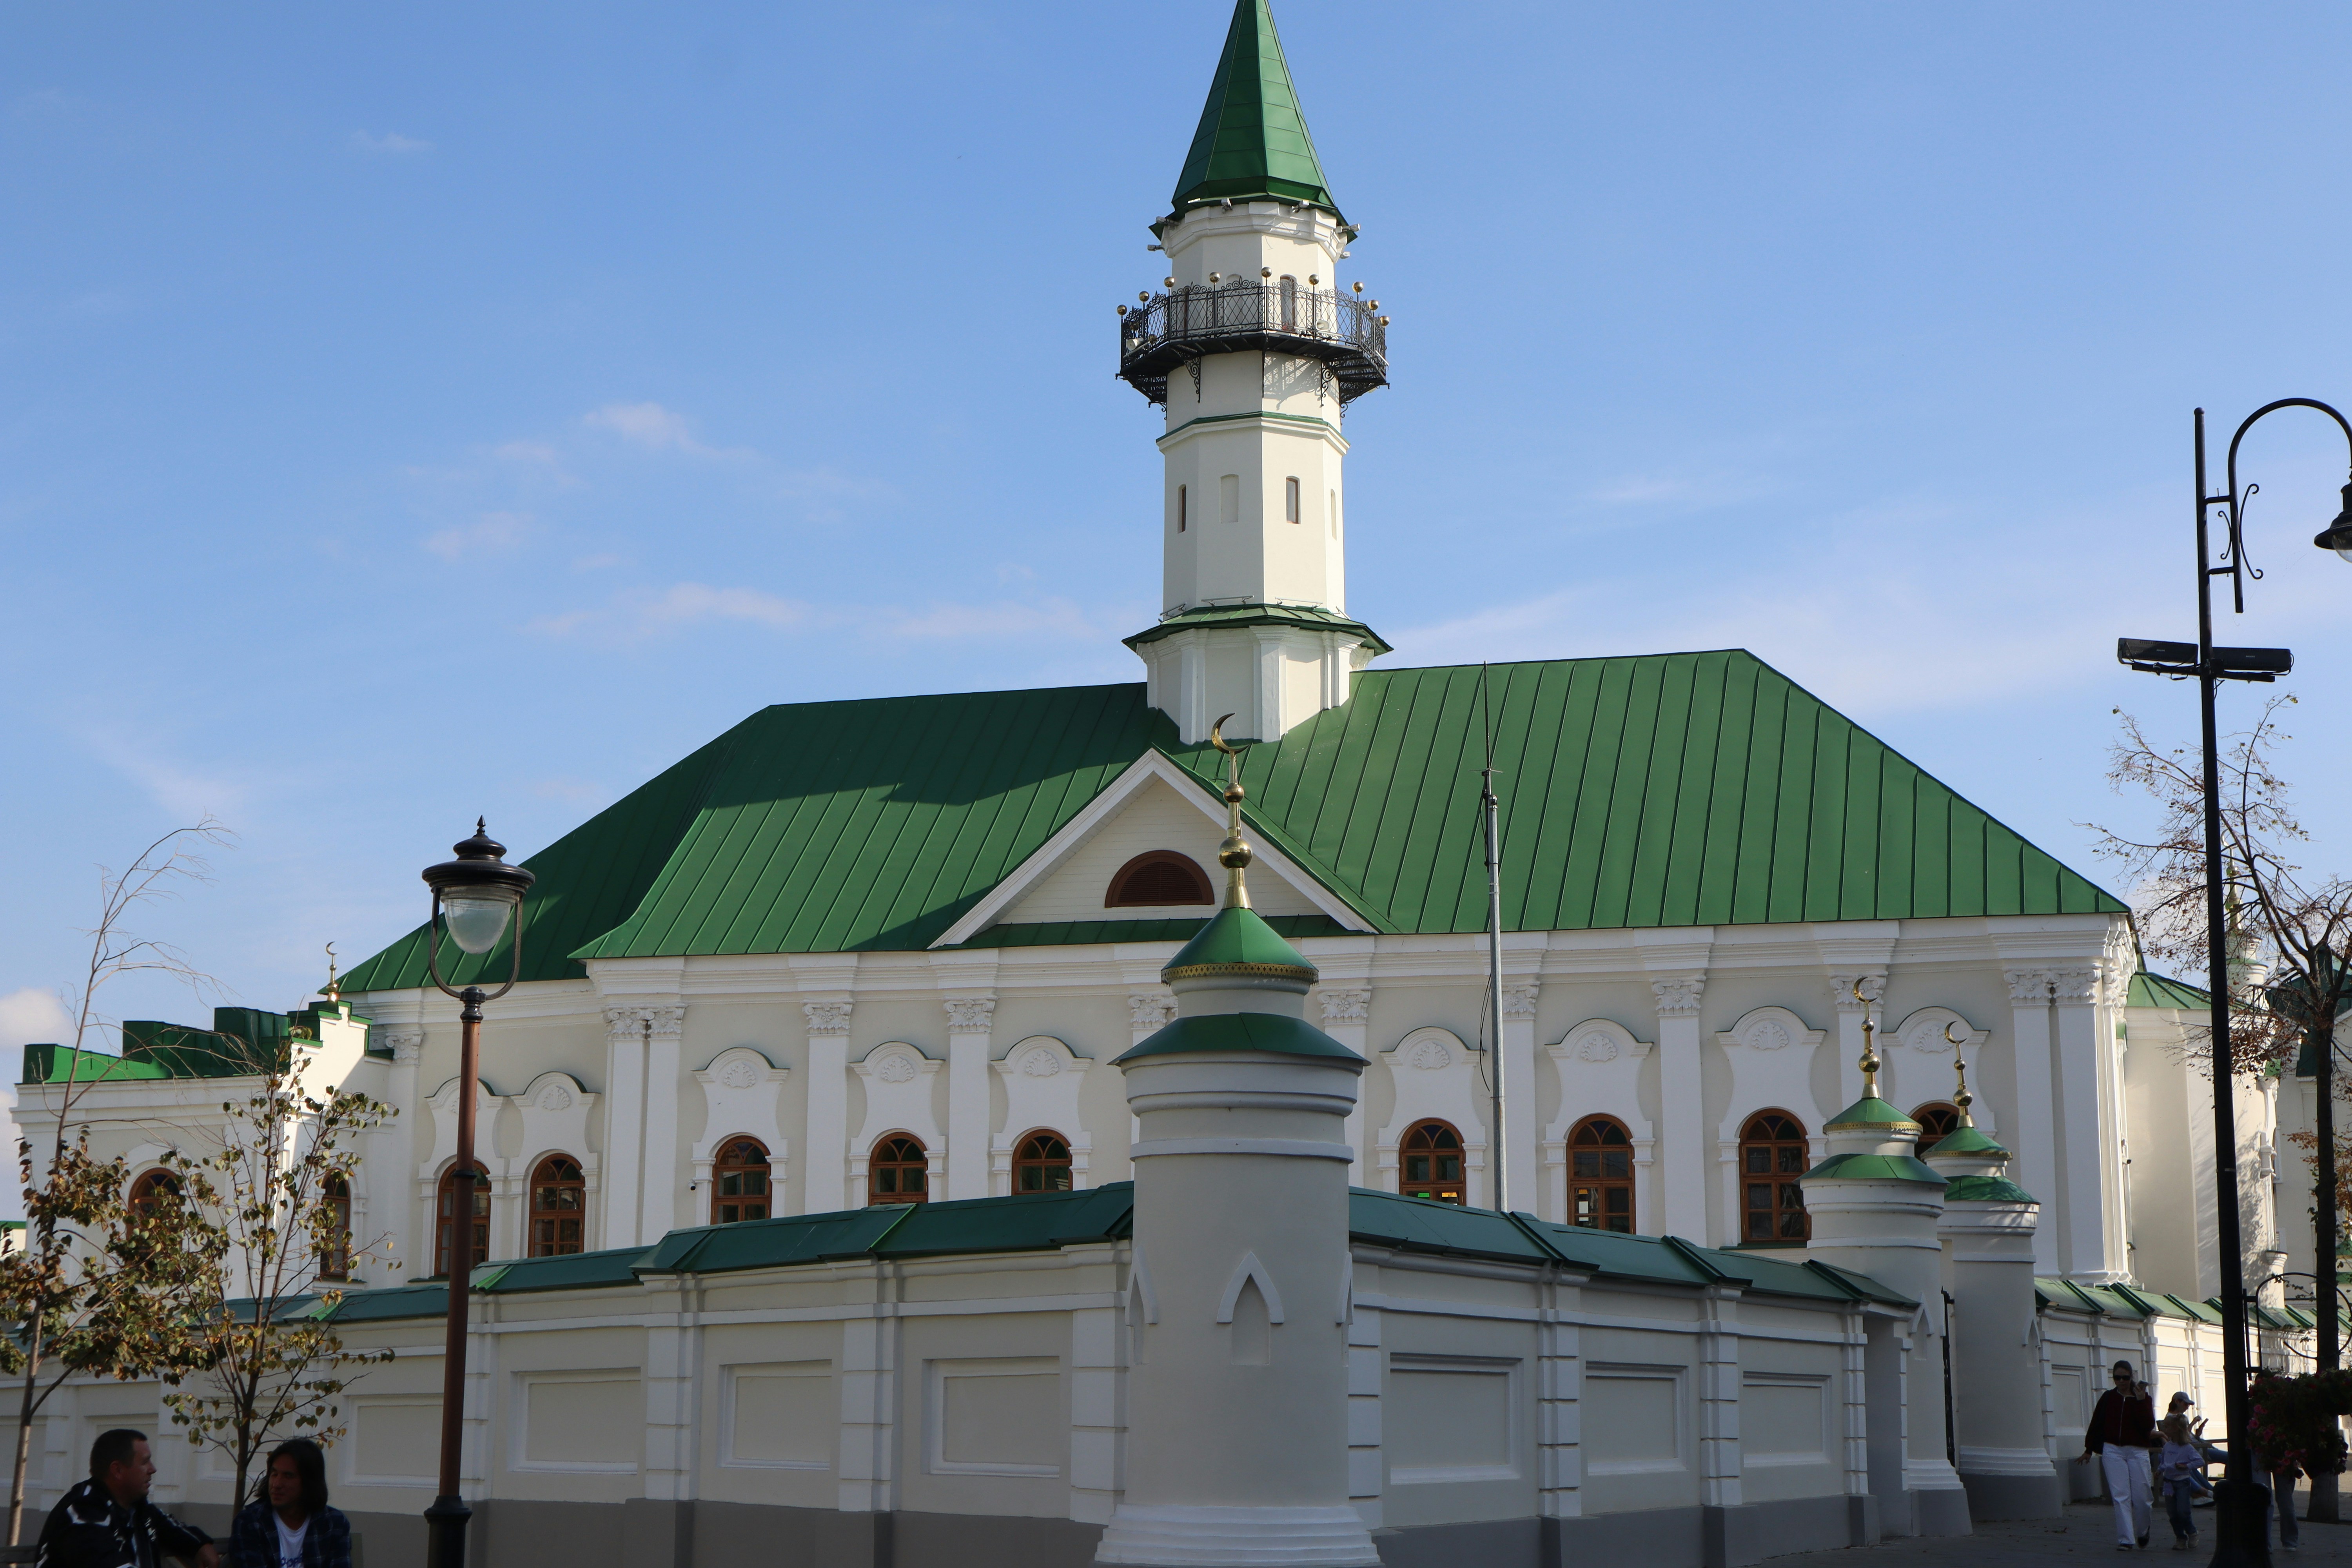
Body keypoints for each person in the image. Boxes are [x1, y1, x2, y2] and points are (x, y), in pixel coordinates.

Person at [35, 1428, 218, 1568]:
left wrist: (199, 1545)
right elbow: (107, 1562)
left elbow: (170, 1527)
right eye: (145, 1462)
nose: (153, 1469)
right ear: (118, 1470)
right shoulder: (83, 1511)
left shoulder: (137, 1507)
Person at [227, 1439, 351, 1568]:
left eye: (288, 1476)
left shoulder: (334, 1523)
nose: (277, 1484)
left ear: (310, 1482)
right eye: (274, 1474)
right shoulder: (250, 1522)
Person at [2083, 1359, 2156, 1550]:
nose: (2121, 1382)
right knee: (2120, 1495)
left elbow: (2148, 1425)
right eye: (2117, 1378)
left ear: (2132, 1377)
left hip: (2137, 1451)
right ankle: (2126, 1539)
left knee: (2142, 1497)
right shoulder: (2109, 1398)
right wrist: (2088, 1449)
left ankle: (2143, 1531)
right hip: (2113, 1450)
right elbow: (2096, 1423)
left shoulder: (2144, 1398)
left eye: (2125, 1378)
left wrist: (2140, 1402)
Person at [2156, 1414, 2207, 1549]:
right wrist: (2159, 1471)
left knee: (2183, 1511)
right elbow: (2164, 1463)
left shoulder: (2187, 1448)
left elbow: (2200, 1461)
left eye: (2167, 1427)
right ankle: (2180, 1537)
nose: (2165, 1429)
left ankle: (2192, 1532)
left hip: (2183, 1482)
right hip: (2169, 1483)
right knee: (2172, 1513)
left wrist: (2187, 1466)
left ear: (2176, 1429)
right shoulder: (2168, 1447)